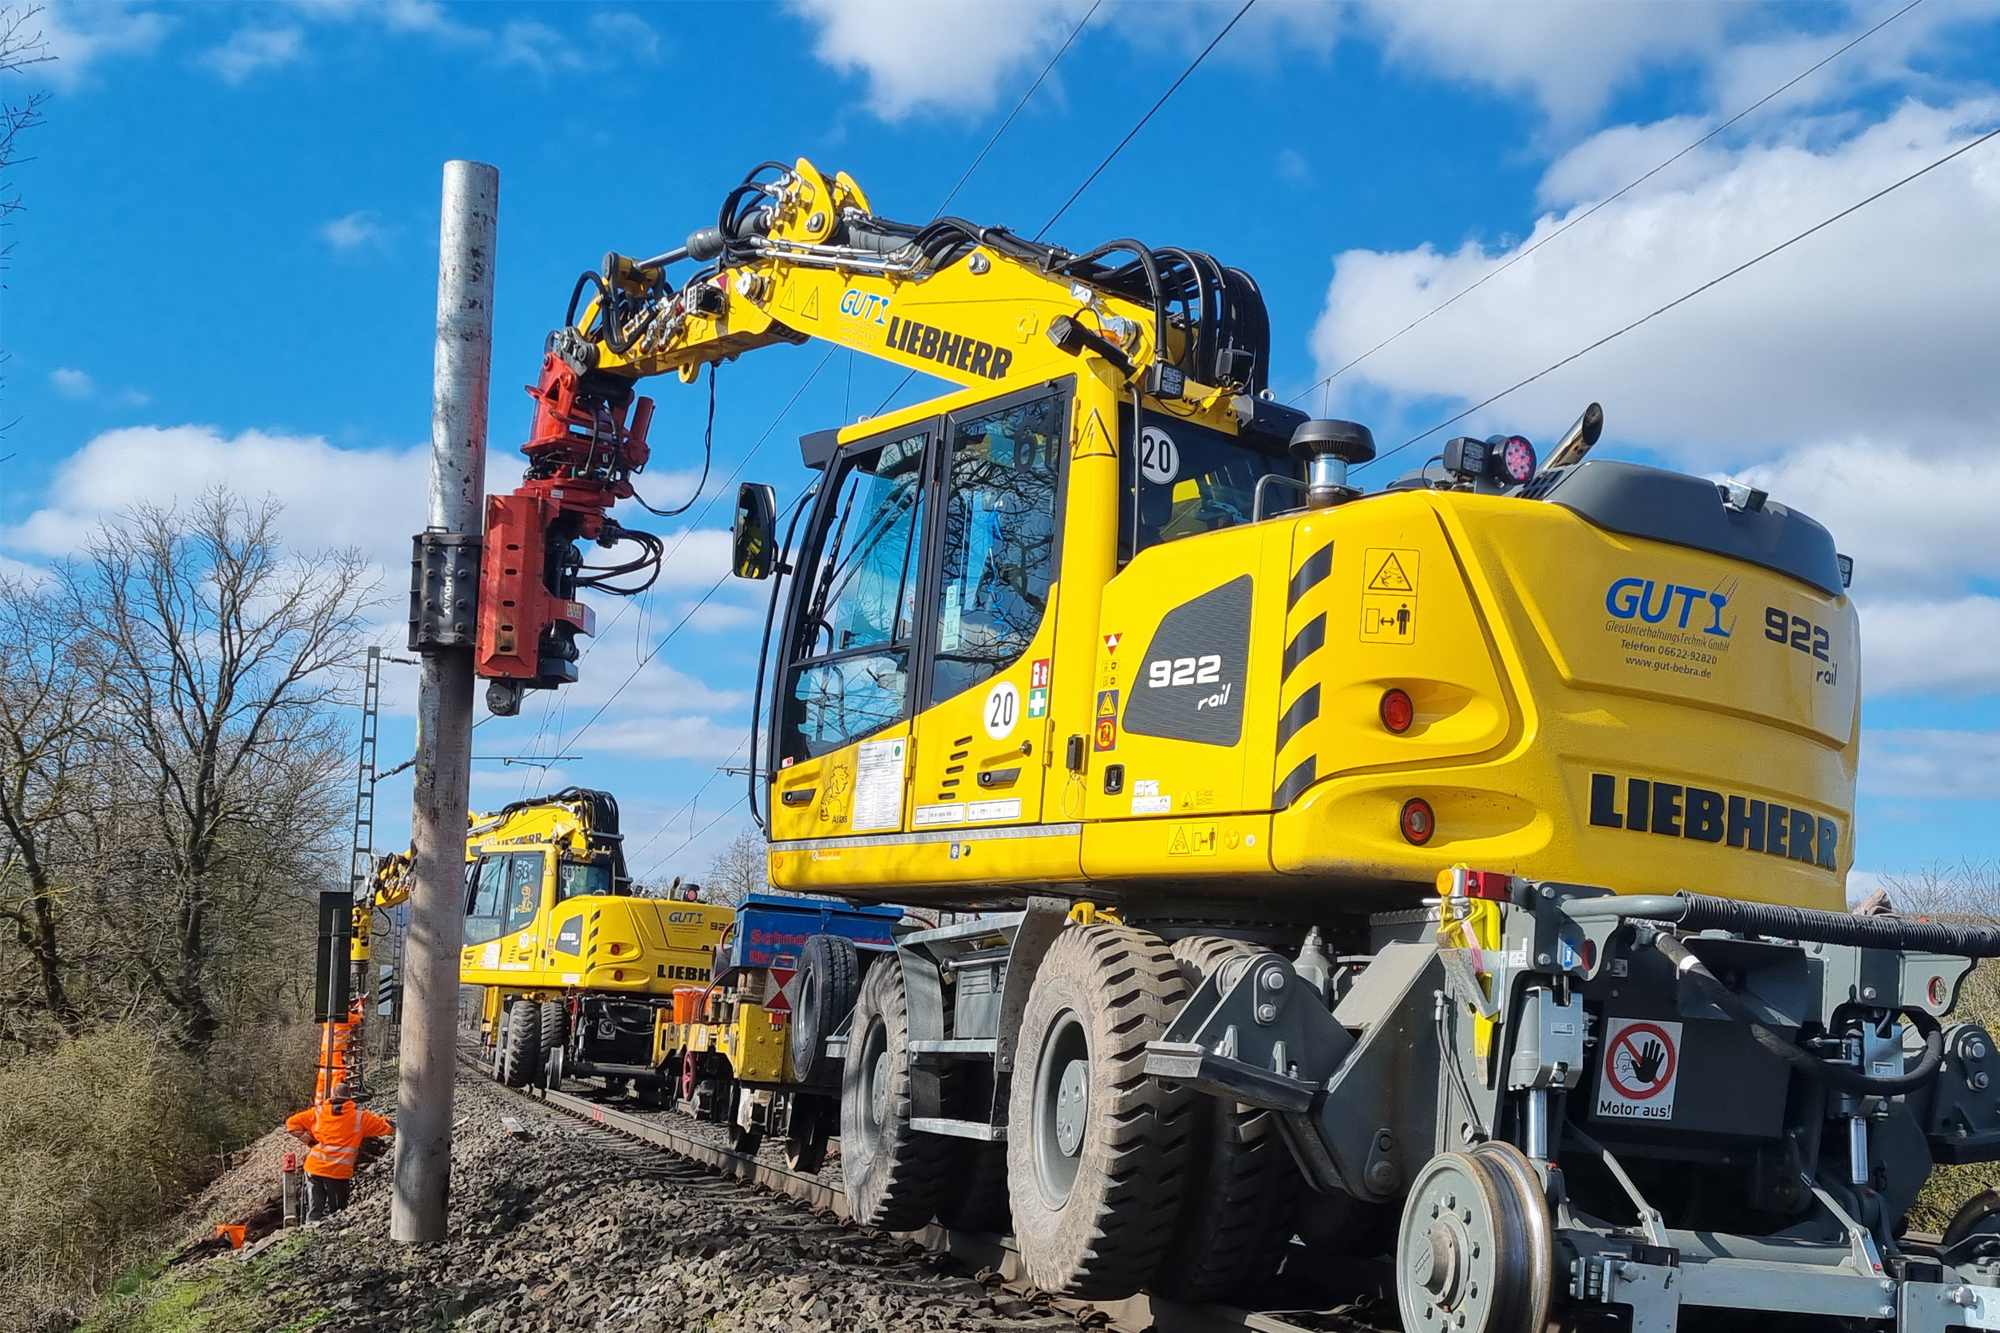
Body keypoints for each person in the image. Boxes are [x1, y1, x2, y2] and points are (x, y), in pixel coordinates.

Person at [284, 1081, 394, 1221]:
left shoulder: (318, 1112)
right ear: (350, 1096)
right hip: (338, 1172)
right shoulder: (360, 1117)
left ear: (332, 1095)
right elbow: (387, 1126)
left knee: (314, 1210)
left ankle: (308, 1234)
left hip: (314, 1168)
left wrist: (310, 1141)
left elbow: (291, 1125)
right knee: (337, 1212)